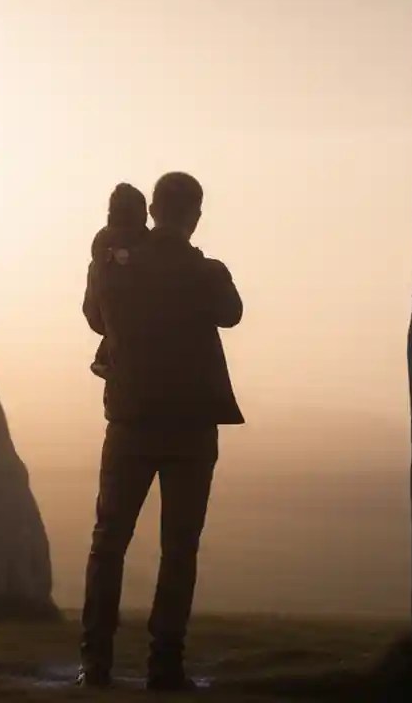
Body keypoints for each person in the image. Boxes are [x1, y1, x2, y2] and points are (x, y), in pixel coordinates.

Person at [78, 171, 244, 691]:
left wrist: (110, 245)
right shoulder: (205, 271)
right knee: (179, 548)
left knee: (109, 543)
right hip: (192, 429)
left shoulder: (117, 264)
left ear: (153, 210)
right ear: (194, 215)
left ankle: (96, 664)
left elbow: (94, 317)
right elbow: (231, 313)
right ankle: (164, 664)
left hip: (130, 421)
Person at [89, 183, 150, 379]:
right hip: (153, 368)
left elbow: (93, 316)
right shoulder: (154, 254)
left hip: (118, 372)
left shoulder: (100, 261)